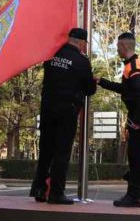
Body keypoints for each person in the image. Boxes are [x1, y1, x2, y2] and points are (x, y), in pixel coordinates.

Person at [31, 27, 97, 205]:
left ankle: (39, 190)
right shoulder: (82, 61)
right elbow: (90, 89)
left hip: (47, 109)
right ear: (82, 43)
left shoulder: (52, 54)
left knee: (45, 151)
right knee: (62, 152)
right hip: (67, 112)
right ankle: (56, 193)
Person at [98, 32, 140, 208]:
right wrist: (102, 82)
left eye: (117, 46)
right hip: (139, 118)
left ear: (124, 46)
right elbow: (126, 90)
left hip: (139, 119)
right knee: (134, 157)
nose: (117, 49)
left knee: (136, 158)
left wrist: (137, 121)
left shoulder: (134, 67)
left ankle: (133, 197)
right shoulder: (133, 65)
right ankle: (132, 196)